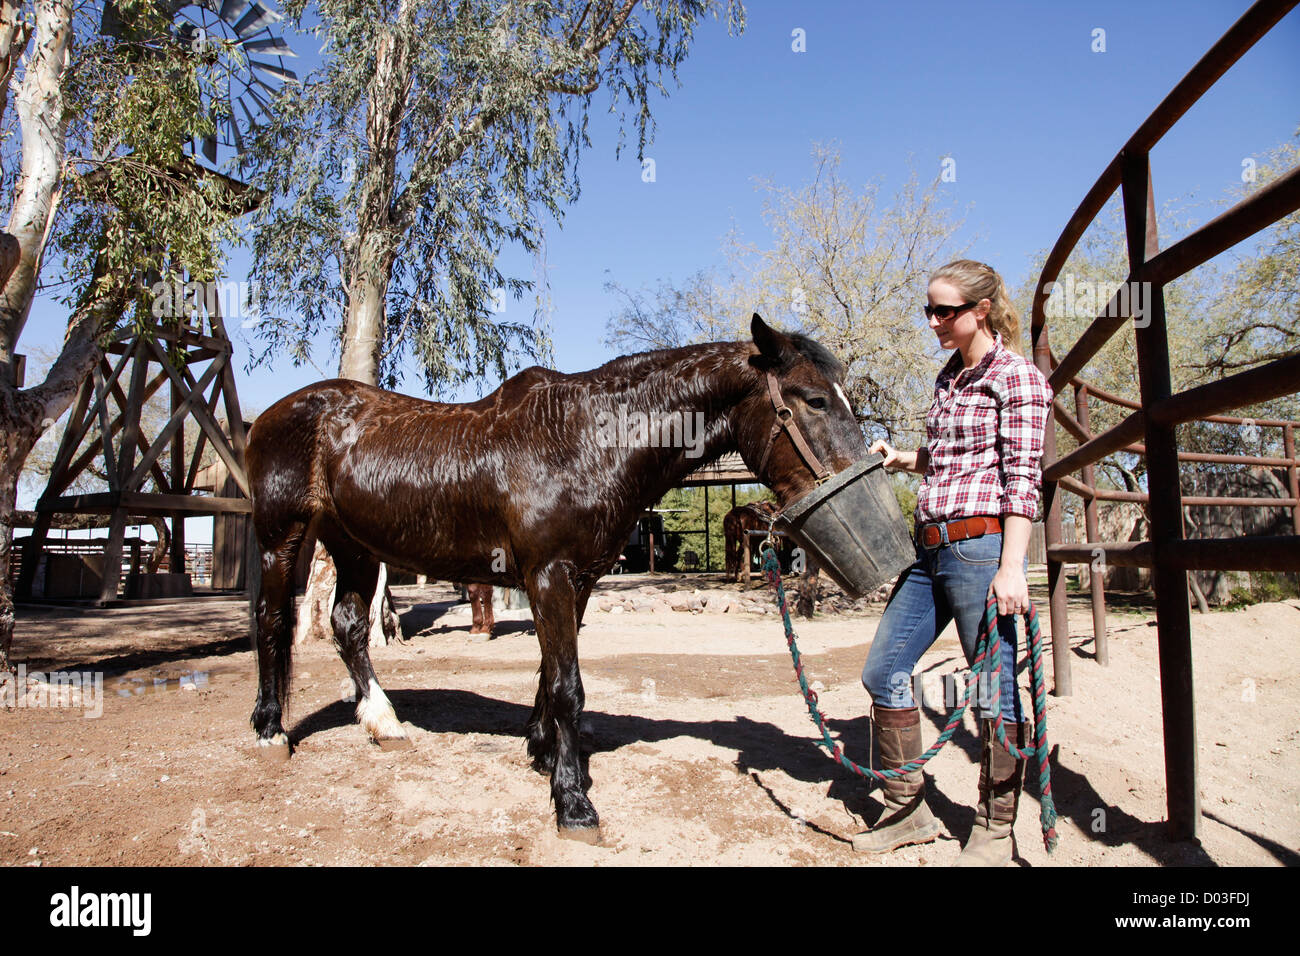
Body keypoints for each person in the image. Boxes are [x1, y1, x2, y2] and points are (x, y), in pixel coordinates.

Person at [854, 259, 1052, 866]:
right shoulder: (950, 377)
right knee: (883, 669)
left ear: (981, 311)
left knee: (994, 689)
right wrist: (905, 458)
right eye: (929, 310)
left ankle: (995, 831)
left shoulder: (1016, 379)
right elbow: (953, 460)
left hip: (981, 550)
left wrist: (1012, 566)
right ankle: (906, 810)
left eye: (946, 311)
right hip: (931, 549)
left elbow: (1021, 480)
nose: (934, 321)